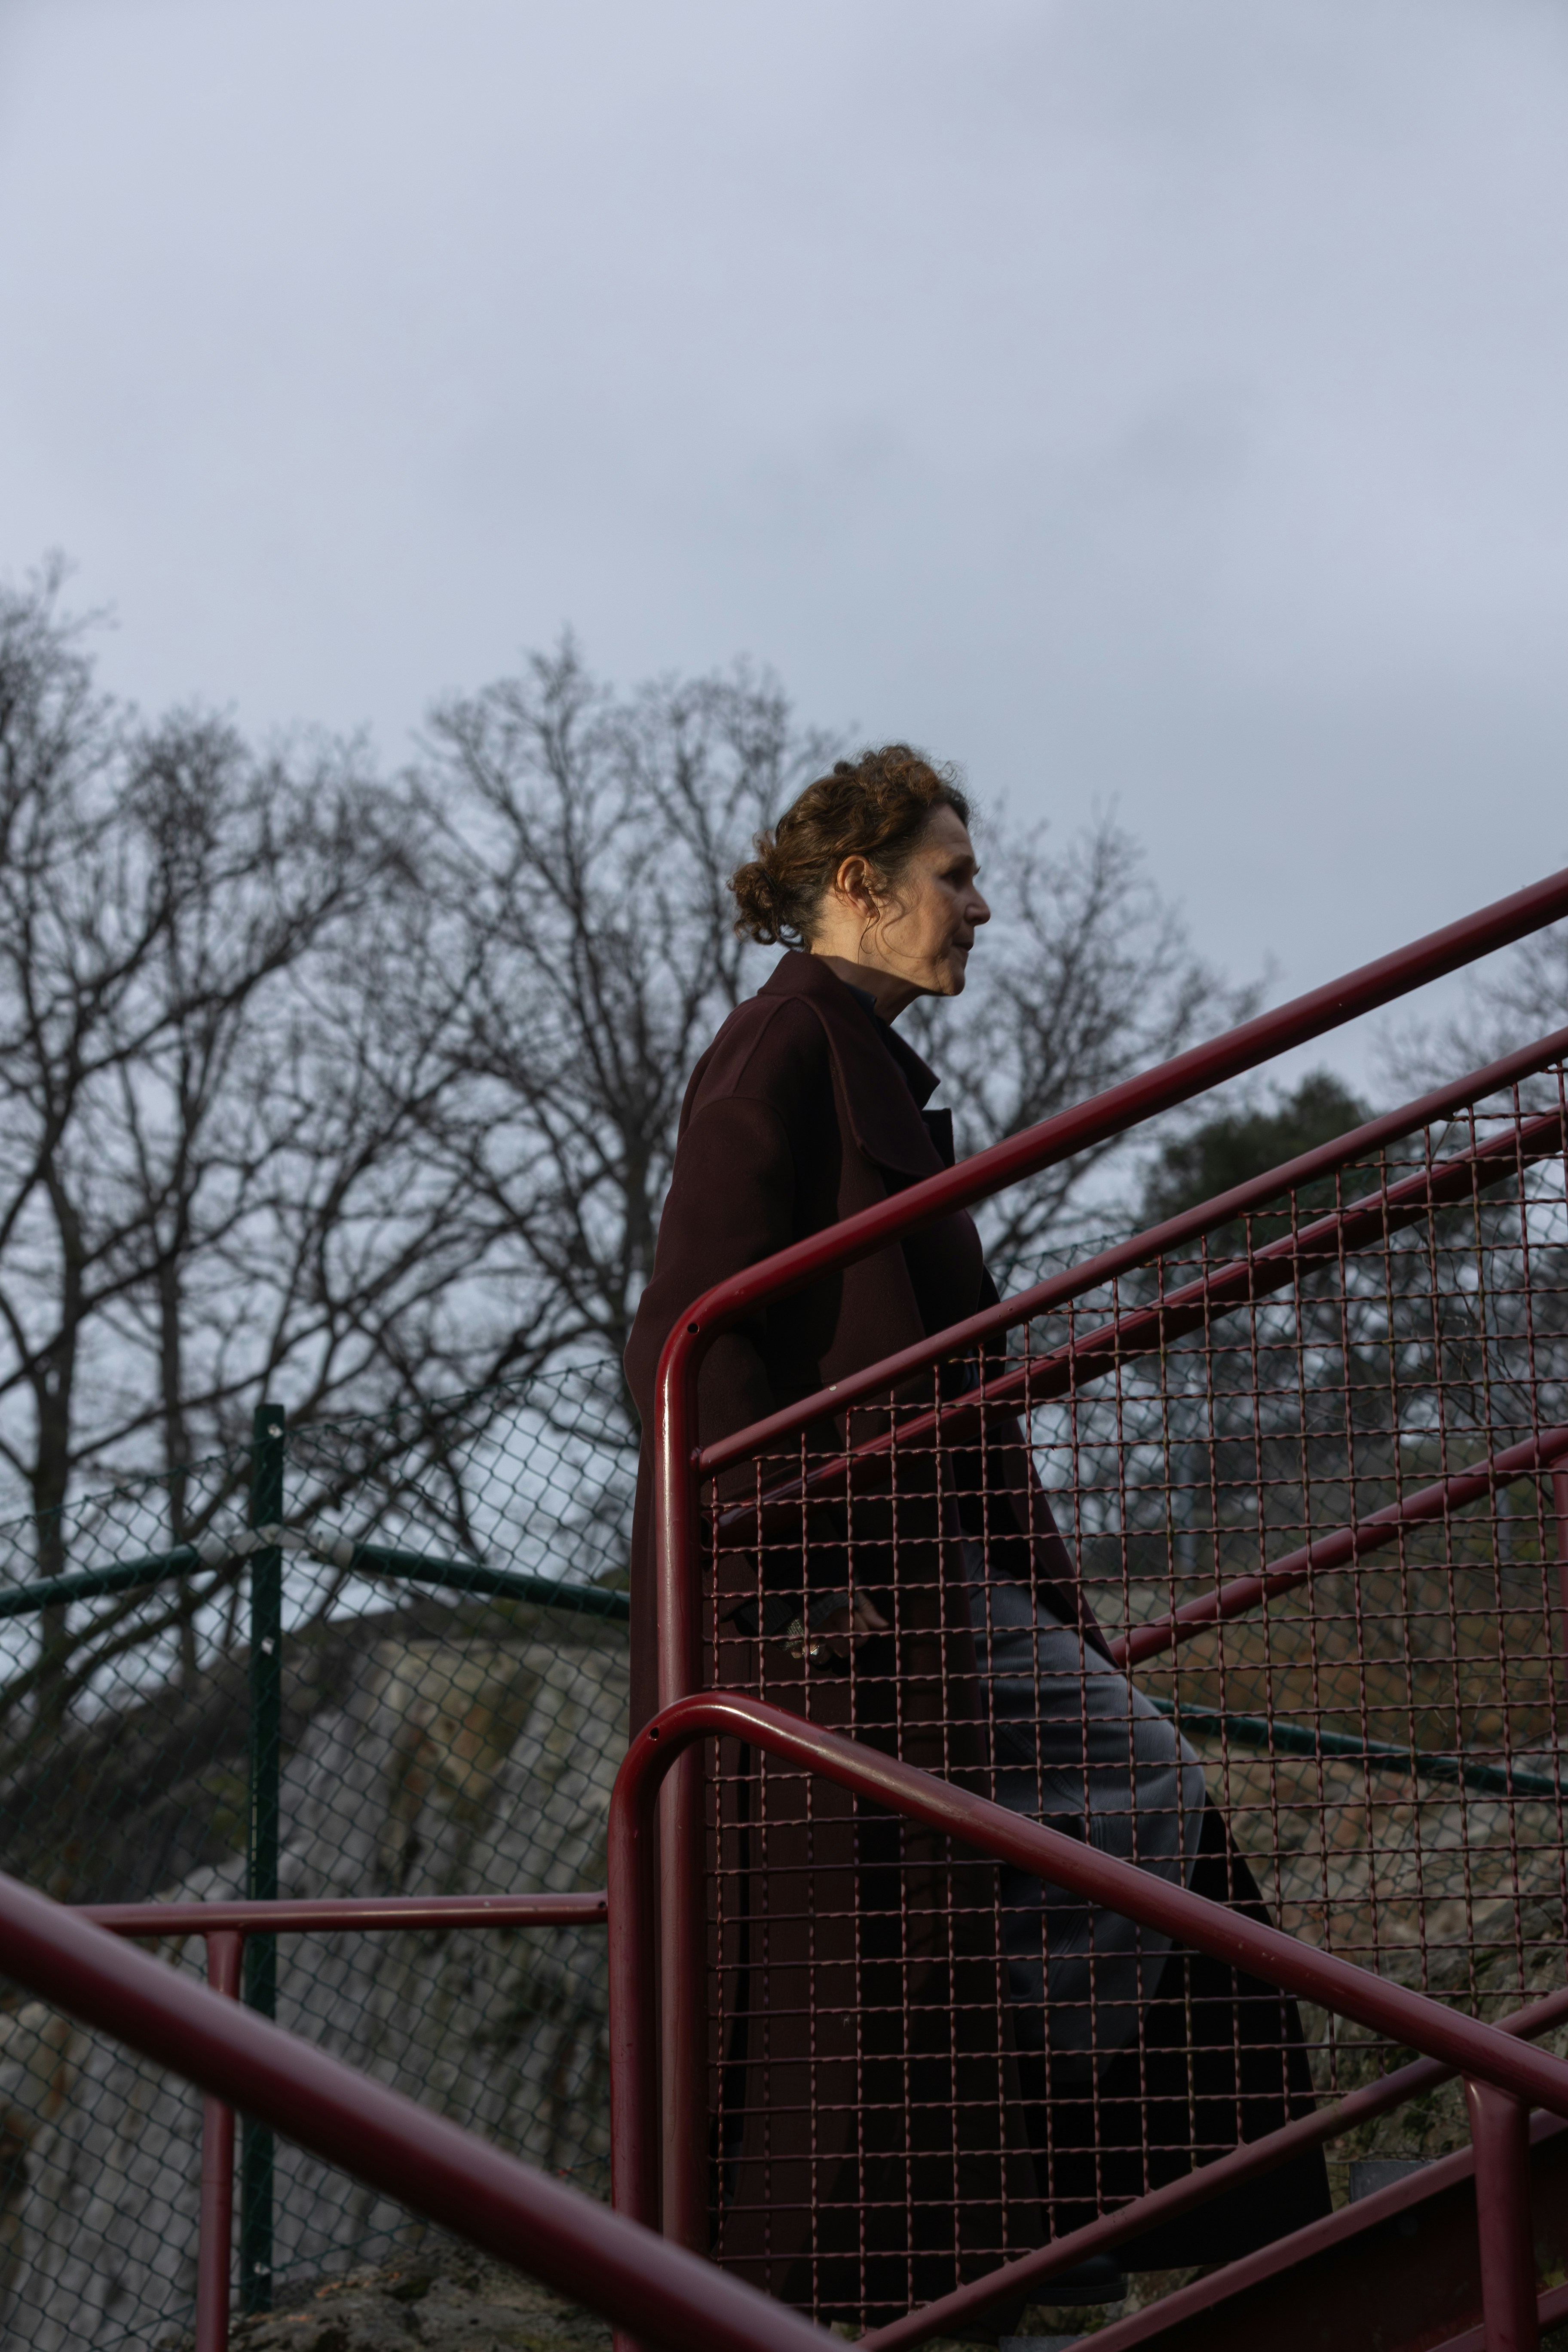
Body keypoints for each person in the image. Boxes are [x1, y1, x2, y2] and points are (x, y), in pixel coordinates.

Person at [623, 745, 1329, 2333]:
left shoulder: (842, 1053)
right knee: (1133, 1780)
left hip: (896, 1570)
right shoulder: (779, 1051)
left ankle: (1024, 2185)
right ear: (859, 884)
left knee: (979, 1872)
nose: (983, 904)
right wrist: (783, 1569)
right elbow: (687, 1339)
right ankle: (1045, 2168)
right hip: (846, 1578)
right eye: (953, 871)